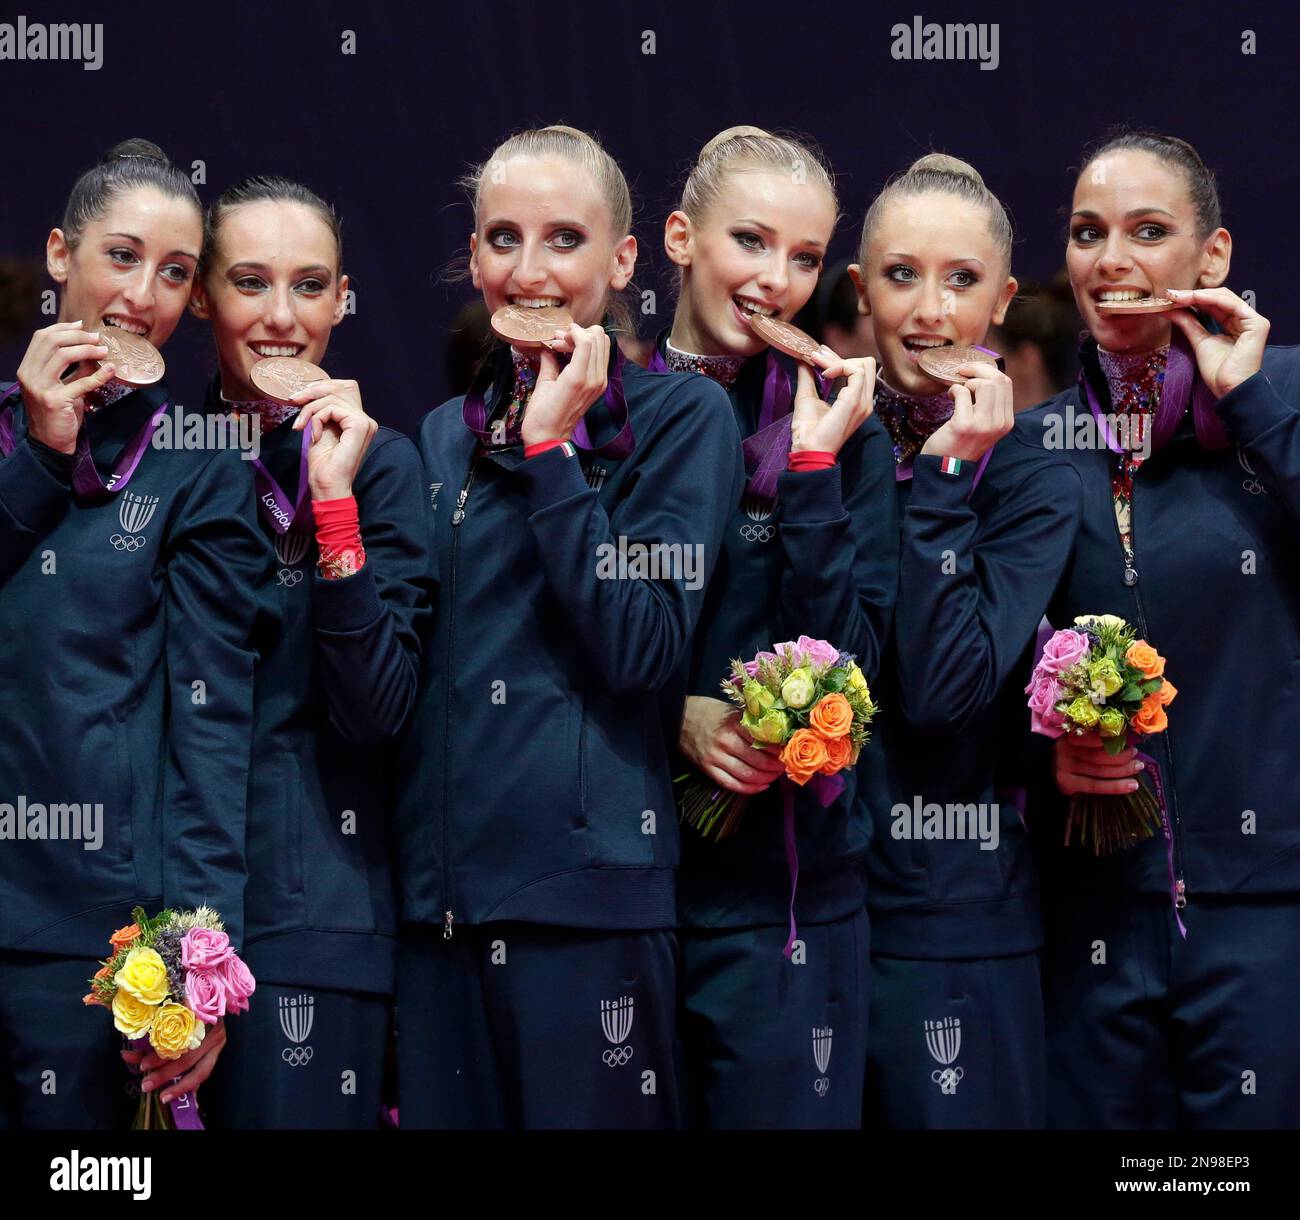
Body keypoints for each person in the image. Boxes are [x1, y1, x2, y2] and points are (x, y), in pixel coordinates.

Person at [395, 124, 742, 1129]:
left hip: (587, 913)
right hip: (439, 918)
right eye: (503, 238)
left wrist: (550, 455)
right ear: (473, 255)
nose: (529, 268)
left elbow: (642, 650)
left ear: (623, 259)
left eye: (563, 239)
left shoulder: (681, 421)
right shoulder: (435, 437)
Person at [1028, 129, 1300, 1129]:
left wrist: (1250, 399)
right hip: (1094, 905)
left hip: (1262, 900)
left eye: (1148, 230)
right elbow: (990, 656)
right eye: (1087, 231)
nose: (1112, 259)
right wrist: (1042, 741)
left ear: (1212, 256)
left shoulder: (1283, 400)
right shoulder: (1034, 442)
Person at [0, 139, 268, 1127]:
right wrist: (36, 451)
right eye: (121, 256)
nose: (142, 294)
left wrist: (199, 955)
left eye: (174, 271)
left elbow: (210, 721)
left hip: (85, 937)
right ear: (60, 253)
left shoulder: (199, 468)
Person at [189, 176, 432, 1128]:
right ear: (203, 294)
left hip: (319, 922)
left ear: (342, 299)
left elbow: (378, 711)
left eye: (310, 286)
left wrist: (335, 512)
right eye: (250, 283)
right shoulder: (154, 456)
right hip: (145, 919)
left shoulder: (388, 467)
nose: (281, 318)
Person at [663, 126, 894, 1129]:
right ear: (676, 237)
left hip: (783, 895)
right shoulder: (595, 407)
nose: (777, 280)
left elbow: (854, 663)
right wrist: (669, 711)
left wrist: (809, 473)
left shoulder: (848, 428)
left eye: (804, 257)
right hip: (617, 891)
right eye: (749, 242)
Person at [850, 154, 1080, 1128]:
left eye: (960, 280)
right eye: (900, 275)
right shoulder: (813, 444)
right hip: (793, 909)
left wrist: (944, 480)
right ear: (859, 291)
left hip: (957, 914)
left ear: (1002, 301)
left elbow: (944, 692)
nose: (928, 309)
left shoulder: (1030, 477)